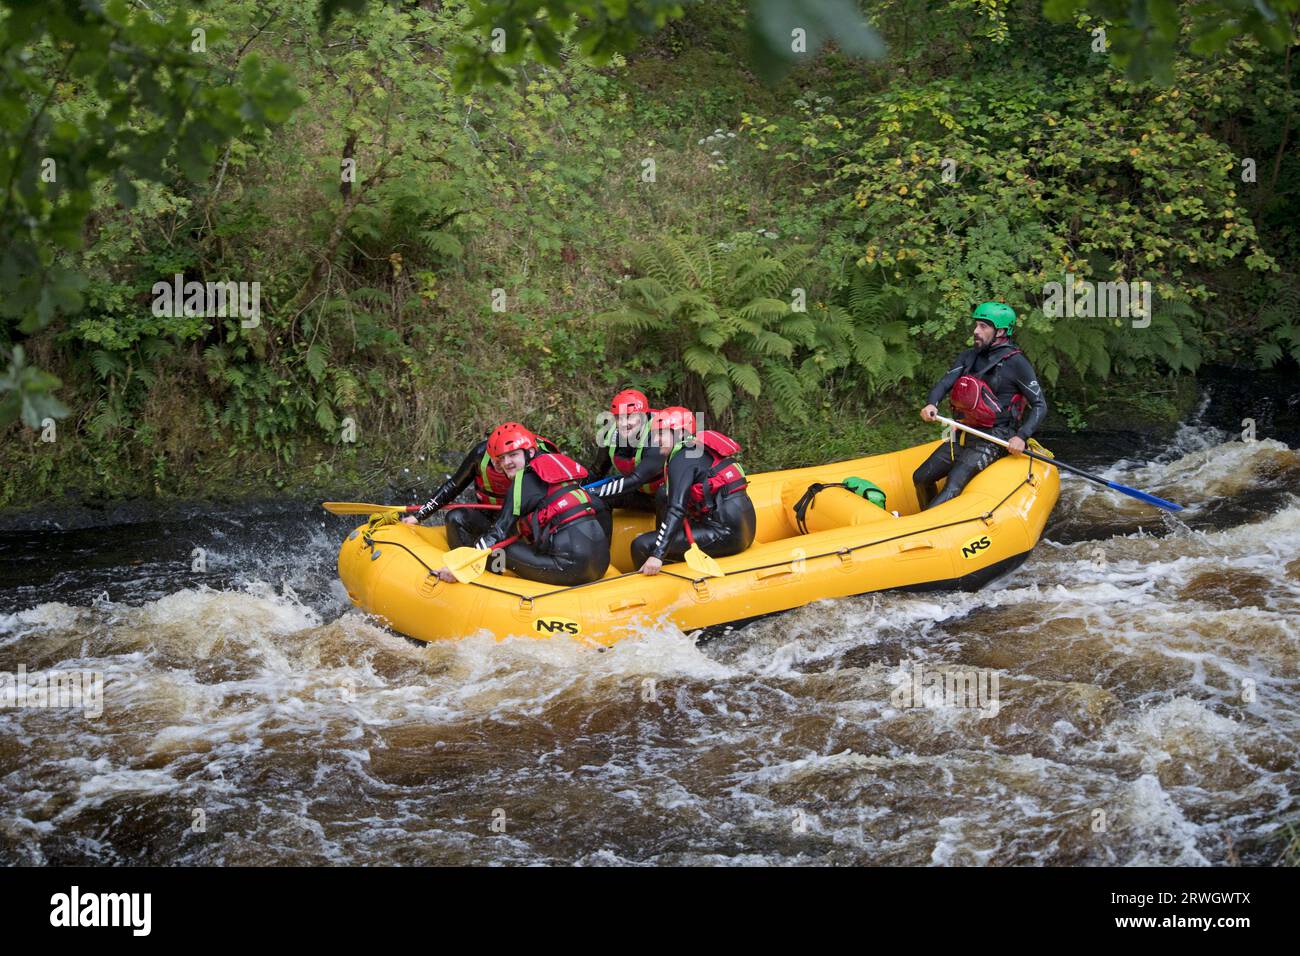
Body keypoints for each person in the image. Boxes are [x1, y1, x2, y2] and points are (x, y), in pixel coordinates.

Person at [432, 423, 610, 586]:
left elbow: (498, 533)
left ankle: (485, 586)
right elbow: (600, 506)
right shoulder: (556, 468)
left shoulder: (523, 481)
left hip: (572, 569)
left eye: (513, 454)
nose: (507, 462)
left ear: (530, 452)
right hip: (601, 564)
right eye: (502, 458)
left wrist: (459, 567)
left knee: (501, 550)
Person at [914, 302, 1047, 509]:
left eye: (983, 327)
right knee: (921, 477)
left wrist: (1021, 436)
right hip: (965, 434)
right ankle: (927, 520)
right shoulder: (969, 356)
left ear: (1001, 331)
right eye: (976, 325)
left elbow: (1039, 405)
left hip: (996, 438)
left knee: (954, 483)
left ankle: (922, 528)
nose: (976, 331)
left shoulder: (1017, 363)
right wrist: (932, 404)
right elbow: (944, 383)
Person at [630, 407, 756, 576]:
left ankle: (654, 587)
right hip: (742, 528)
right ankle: (667, 553)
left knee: (641, 545)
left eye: (662, 434)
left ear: (681, 433)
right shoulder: (695, 449)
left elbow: (676, 509)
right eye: (655, 434)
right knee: (662, 493)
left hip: (726, 534)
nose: (656, 440)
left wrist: (657, 553)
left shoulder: (682, 459)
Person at [401, 423, 561, 547]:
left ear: (528, 453)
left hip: (527, 524)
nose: (504, 464)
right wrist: (418, 516)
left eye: (511, 456)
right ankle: (462, 564)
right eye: (498, 459)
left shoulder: (541, 458)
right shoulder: (480, 456)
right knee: (454, 517)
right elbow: (453, 486)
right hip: (490, 519)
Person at [588, 388, 666, 513]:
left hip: (670, 498)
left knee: (663, 495)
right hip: (640, 494)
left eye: (629, 417)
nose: (624, 424)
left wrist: (592, 491)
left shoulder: (659, 436)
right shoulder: (610, 434)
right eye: (619, 418)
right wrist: (581, 492)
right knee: (595, 500)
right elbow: (597, 471)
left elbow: (636, 479)